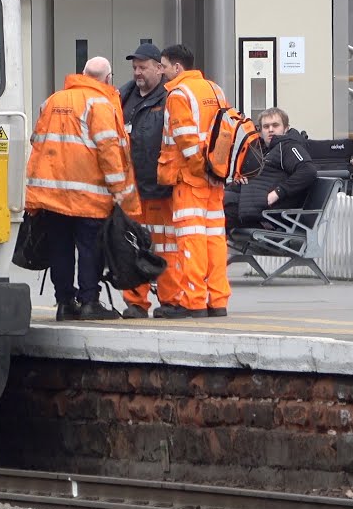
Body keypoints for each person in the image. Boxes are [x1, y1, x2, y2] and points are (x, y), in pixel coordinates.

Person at [26, 57, 141, 321]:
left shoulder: (53, 100)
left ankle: (65, 303)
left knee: (61, 249)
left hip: (52, 194)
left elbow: (37, 141)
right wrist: (121, 194)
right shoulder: (100, 104)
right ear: (108, 78)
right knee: (91, 249)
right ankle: (90, 302)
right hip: (88, 194)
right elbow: (109, 152)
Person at [156, 44, 229, 319]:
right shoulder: (215, 90)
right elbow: (225, 132)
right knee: (215, 239)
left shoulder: (178, 94)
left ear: (177, 68)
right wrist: (214, 170)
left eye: (163, 66)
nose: (161, 72)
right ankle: (218, 300)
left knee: (191, 241)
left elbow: (186, 141)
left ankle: (194, 301)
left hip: (190, 179)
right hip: (215, 178)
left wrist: (199, 170)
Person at [116, 42, 180, 319]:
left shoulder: (169, 98)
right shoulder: (123, 97)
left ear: (159, 68)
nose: (138, 72)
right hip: (131, 188)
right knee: (132, 246)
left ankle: (171, 300)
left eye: (143, 67)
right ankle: (135, 302)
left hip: (160, 188)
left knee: (165, 246)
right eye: (134, 68)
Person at [224, 107, 317, 231]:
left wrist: (277, 193)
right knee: (213, 198)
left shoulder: (288, 146)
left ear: (286, 128)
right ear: (261, 131)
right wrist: (241, 181)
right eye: (266, 127)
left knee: (213, 208)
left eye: (275, 125)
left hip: (267, 213)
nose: (271, 130)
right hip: (250, 203)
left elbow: (308, 171)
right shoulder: (264, 150)